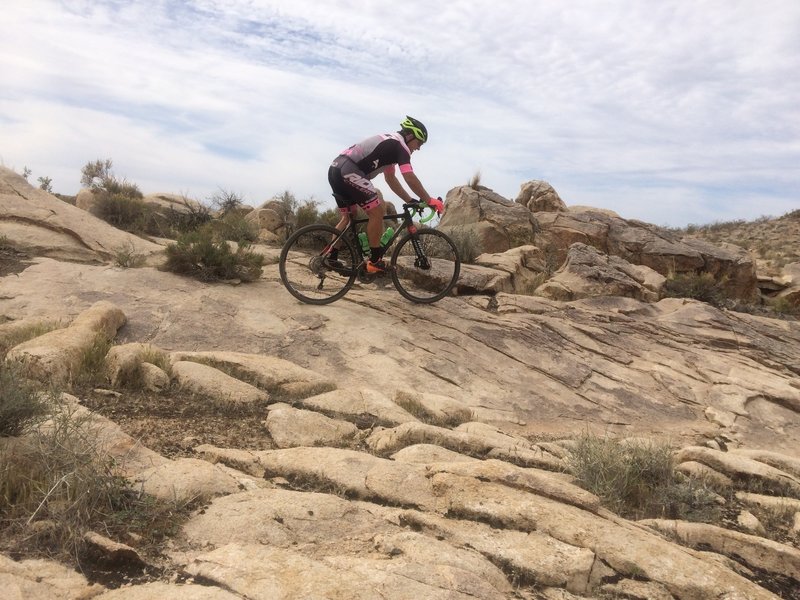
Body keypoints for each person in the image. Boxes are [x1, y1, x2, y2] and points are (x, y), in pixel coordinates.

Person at [328, 116, 444, 273]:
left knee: (348, 217)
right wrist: (428, 200)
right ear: (410, 136)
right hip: (350, 171)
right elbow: (409, 177)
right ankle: (374, 261)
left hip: (335, 168)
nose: (419, 148)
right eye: (419, 143)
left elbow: (391, 179)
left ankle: (330, 258)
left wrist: (410, 200)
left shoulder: (390, 145)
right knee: (377, 211)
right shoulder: (400, 147)